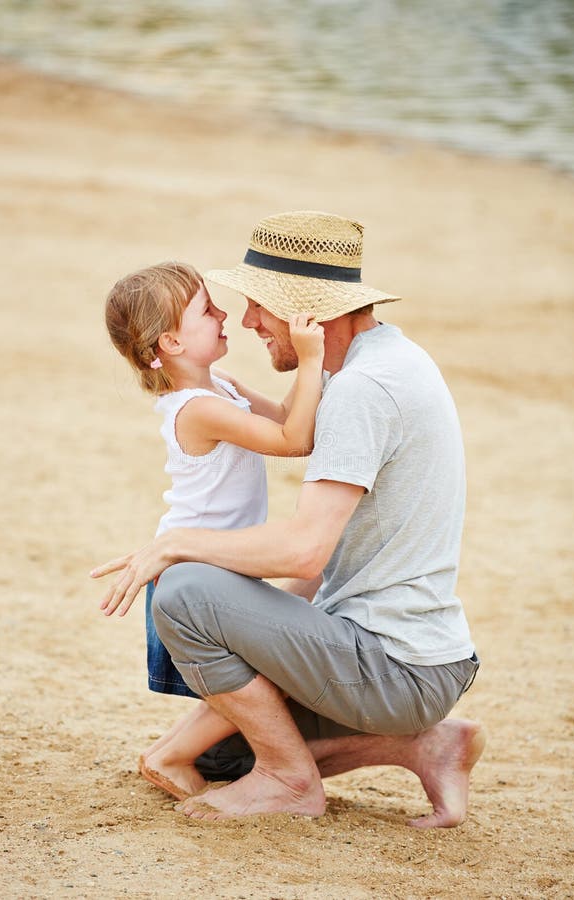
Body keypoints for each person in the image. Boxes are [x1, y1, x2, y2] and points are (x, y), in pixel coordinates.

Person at [92, 211, 485, 828]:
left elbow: (305, 553)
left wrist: (174, 547)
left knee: (184, 590)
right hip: (411, 657)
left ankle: (287, 781)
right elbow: (323, 552)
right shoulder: (387, 358)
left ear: (310, 314)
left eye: (258, 305)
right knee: (223, 752)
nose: (244, 320)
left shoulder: (361, 390)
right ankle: (425, 743)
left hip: (397, 665)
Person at [102, 260, 324, 800]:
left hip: (220, 566)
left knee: (243, 682)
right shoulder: (198, 408)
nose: (224, 313)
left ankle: (191, 756)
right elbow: (294, 441)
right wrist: (314, 358)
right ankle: (170, 756)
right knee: (248, 679)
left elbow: (288, 416)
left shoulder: (221, 386)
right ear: (171, 342)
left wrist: (310, 361)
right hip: (193, 572)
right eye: (207, 309)